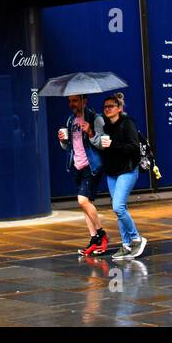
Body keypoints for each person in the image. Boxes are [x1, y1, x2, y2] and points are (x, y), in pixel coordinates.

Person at [97, 92, 147, 260]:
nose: (107, 109)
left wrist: (113, 144)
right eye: (105, 107)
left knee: (117, 207)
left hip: (128, 170)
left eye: (110, 106)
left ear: (119, 108)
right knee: (121, 209)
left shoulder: (128, 123)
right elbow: (106, 149)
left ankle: (136, 239)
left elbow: (133, 147)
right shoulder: (106, 126)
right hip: (112, 172)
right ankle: (125, 245)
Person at [58, 93, 107, 255]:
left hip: (91, 166)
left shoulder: (96, 118)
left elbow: (103, 143)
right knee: (87, 205)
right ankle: (94, 239)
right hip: (78, 166)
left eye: (75, 101)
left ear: (84, 101)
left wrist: (91, 132)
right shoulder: (70, 121)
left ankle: (102, 234)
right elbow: (69, 147)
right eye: (70, 101)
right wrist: (63, 141)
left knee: (82, 200)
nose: (71, 104)